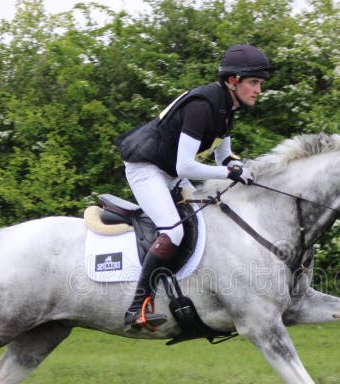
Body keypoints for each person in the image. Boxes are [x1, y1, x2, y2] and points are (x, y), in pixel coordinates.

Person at [115, 44, 274, 332]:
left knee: (209, 216)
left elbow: (222, 156)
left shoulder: (227, 108)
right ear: (233, 81)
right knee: (173, 230)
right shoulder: (203, 106)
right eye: (254, 82)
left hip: (169, 171)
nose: (259, 90)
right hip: (146, 169)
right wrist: (229, 172)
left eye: (260, 83)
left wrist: (239, 168)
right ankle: (137, 305)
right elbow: (185, 167)